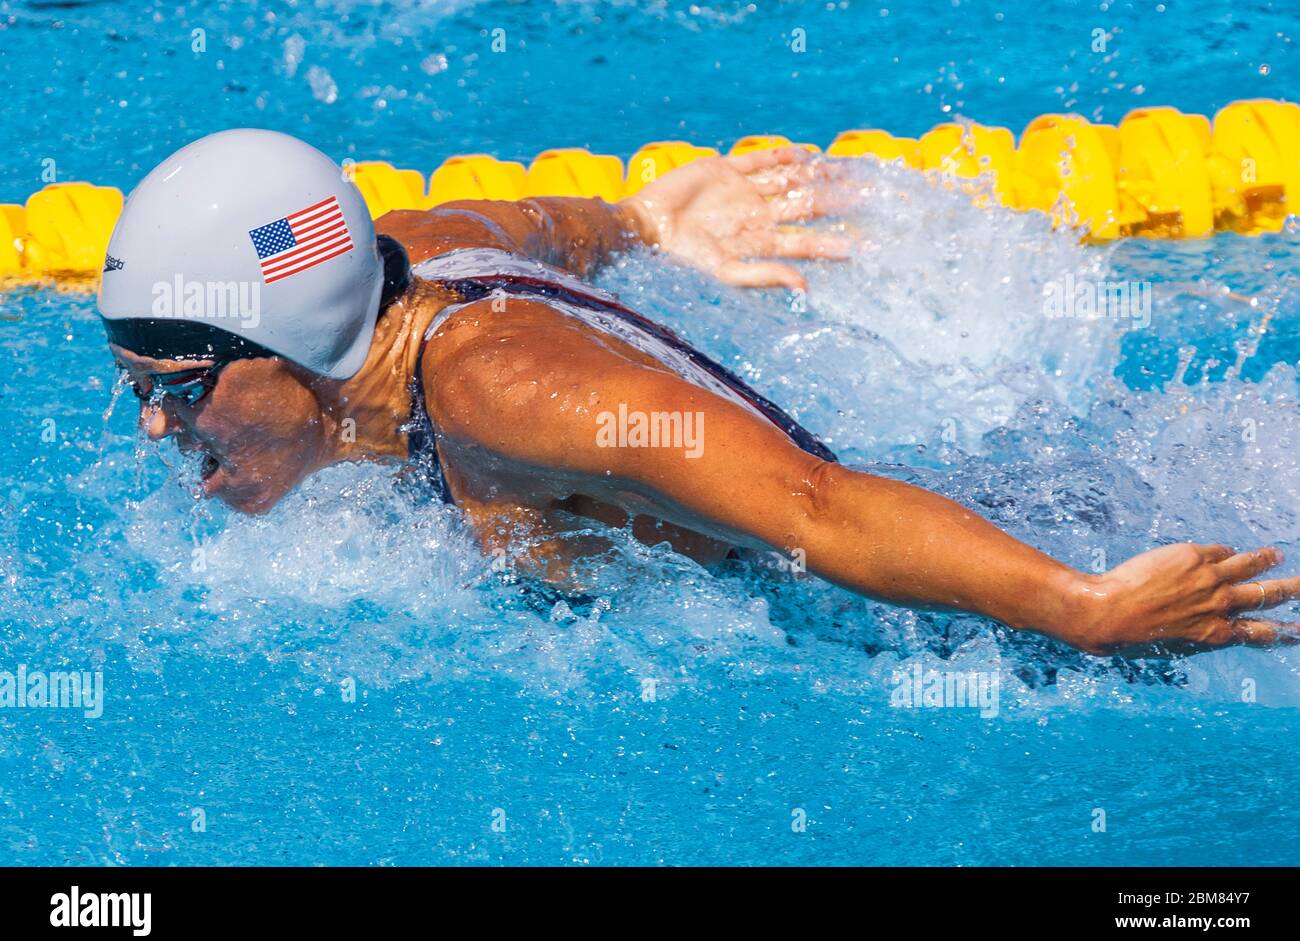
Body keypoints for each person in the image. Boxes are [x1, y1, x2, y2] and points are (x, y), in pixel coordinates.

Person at [100, 129, 1299, 657]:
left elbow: (816, 510)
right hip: (973, 524)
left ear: (293, 341)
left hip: (953, 616)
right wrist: (646, 220)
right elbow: (526, 222)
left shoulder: (494, 390)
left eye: (182, 385)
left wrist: (1079, 608)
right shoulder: (404, 253)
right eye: (139, 389)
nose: (159, 424)